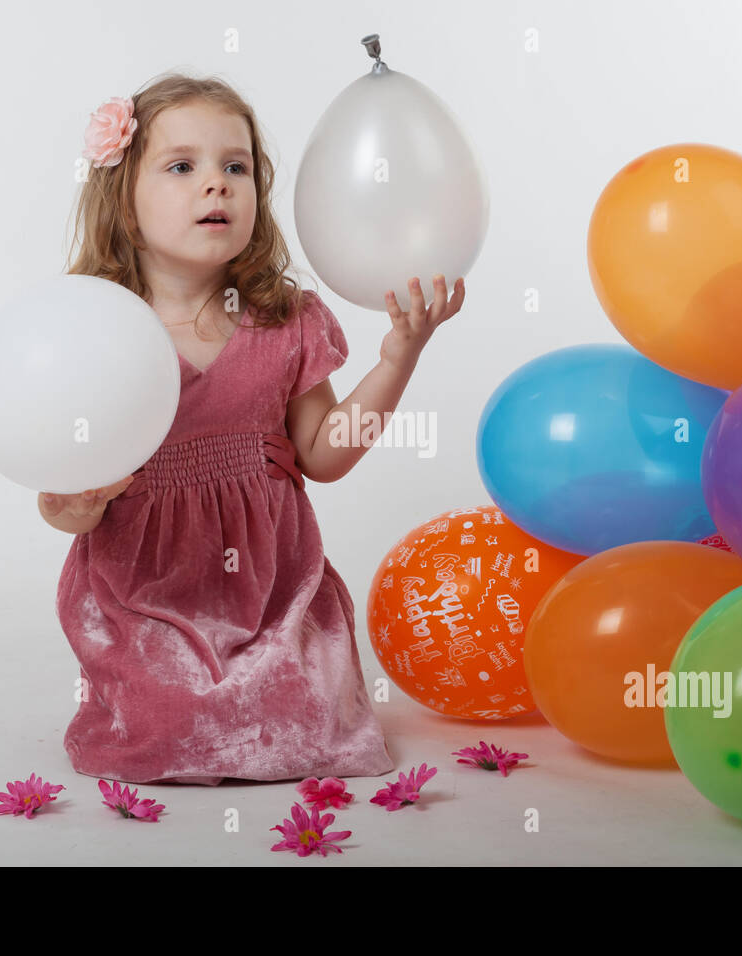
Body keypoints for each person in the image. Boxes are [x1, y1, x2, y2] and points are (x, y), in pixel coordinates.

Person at [37, 73, 466, 785]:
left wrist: (399, 356)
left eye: (236, 166)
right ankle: (173, 700)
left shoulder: (286, 321)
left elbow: (323, 455)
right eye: (183, 167)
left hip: (272, 588)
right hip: (150, 593)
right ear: (124, 204)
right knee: (174, 720)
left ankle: (273, 678)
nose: (218, 185)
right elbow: (59, 490)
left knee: (302, 710)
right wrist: (74, 503)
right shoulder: (97, 331)